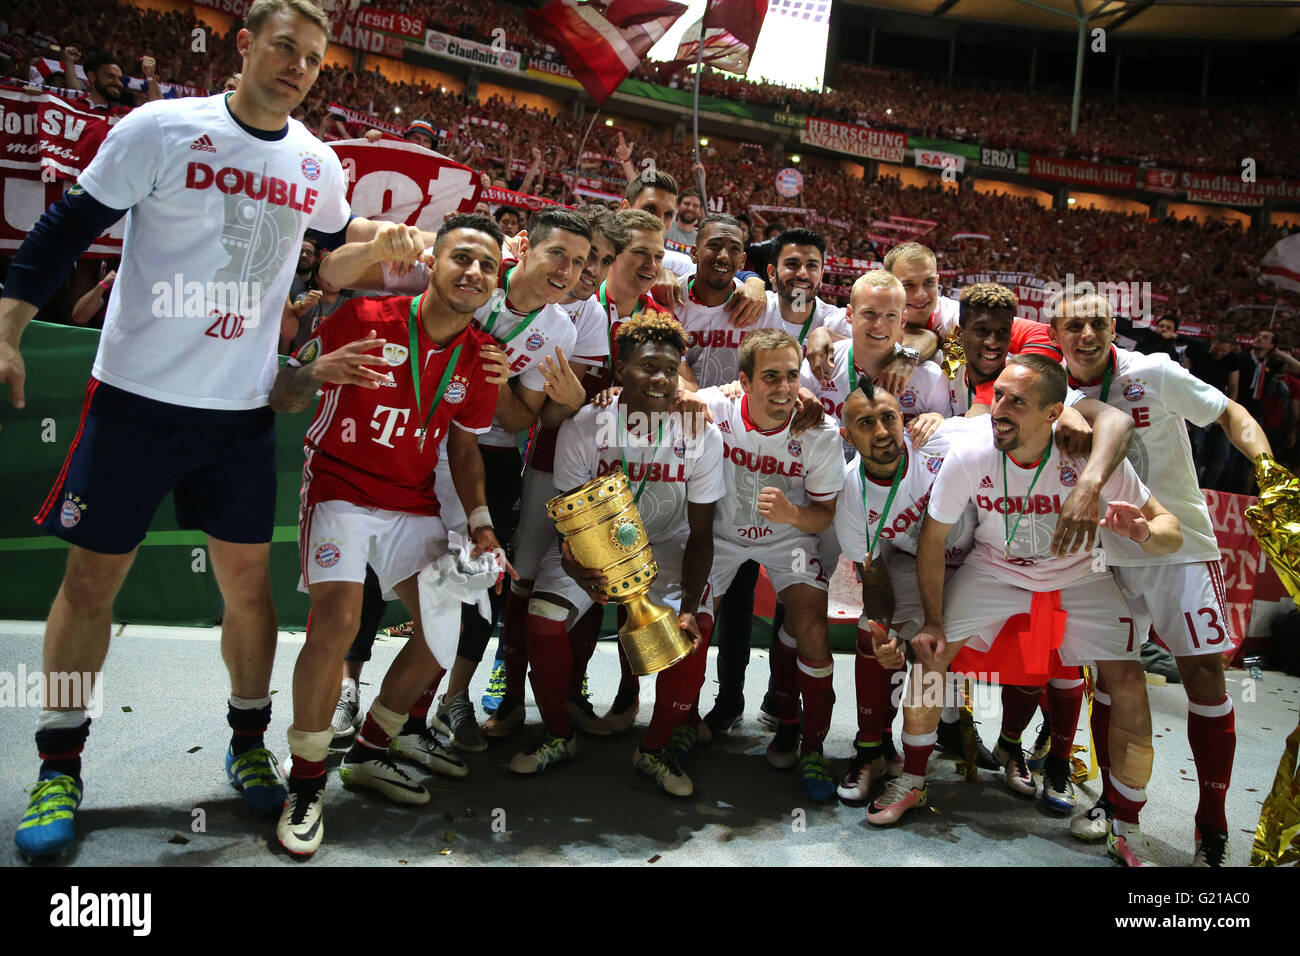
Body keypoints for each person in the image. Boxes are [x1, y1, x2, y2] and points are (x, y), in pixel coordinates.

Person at [3, 0, 350, 860]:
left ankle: (245, 743)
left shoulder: (317, 163)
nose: (297, 66)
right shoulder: (161, 128)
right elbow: (62, 231)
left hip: (238, 415)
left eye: (312, 57)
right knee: (90, 585)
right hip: (134, 404)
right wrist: (6, 330)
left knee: (247, 590)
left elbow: (337, 259)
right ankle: (60, 761)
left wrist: (368, 270)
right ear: (244, 46)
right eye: (283, 47)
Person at [879, 355, 1182, 869]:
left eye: (1016, 401)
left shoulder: (1090, 460)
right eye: (997, 395)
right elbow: (933, 538)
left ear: (1053, 415)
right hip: (995, 568)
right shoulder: (972, 452)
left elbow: (1170, 530)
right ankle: (911, 778)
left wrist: (1141, 532)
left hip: (1080, 574)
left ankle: (1126, 824)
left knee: (1128, 682)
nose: (998, 409)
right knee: (929, 658)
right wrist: (932, 620)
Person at [269, 214, 509, 858]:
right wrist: (317, 374)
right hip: (340, 487)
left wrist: (481, 523)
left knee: (453, 619)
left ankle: (374, 748)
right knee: (338, 621)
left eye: (488, 265)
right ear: (430, 263)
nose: (474, 272)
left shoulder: (482, 359)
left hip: (412, 500)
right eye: (462, 257)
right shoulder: (364, 316)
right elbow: (282, 394)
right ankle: (307, 780)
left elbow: (464, 449)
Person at [1051, 292, 1276, 866]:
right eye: (1073, 324)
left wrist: (1268, 470)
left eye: (1098, 322)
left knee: (1203, 674)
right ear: (1057, 333)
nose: (1086, 334)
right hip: (1105, 554)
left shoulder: (1152, 370)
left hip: (1179, 546)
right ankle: (1115, 803)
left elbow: (1230, 412)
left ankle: (1212, 823)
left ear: (1112, 328)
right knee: (1112, 677)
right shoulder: (1056, 395)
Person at [514, 312, 724, 796]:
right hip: (592, 547)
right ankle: (557, 736)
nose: (661, 379)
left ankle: (654, 750)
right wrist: (580, 571)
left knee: (692, 631)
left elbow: (702, 532)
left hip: (668, 549)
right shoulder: (586, 425)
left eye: (671, 370)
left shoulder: (700, 432)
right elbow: (569, 523)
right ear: (620, 370)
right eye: (648, 366)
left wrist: (690, 607)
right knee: (544, 616)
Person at [696, 330, 845, 799]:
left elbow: (825, 515)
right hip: (722, 536)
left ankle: (811, 745)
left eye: (791, 375)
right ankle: (679, 722)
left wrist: (792, 515)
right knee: (692, 623)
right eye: (770, 376)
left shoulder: (818, 433)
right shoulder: (712, 408)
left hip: (790, 537)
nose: (784, 387)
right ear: (742, 381)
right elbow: (670, 395)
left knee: (813, 633)